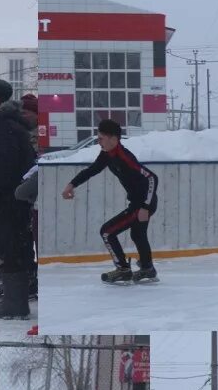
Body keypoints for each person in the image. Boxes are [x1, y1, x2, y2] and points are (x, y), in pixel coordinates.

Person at [61, 118, 158, 284]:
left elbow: (151, 178)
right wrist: (71, 185)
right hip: (139, 202)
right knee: (138, 234)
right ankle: (147, 268)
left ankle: (123, 269)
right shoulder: (107, 154)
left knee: (107, 232)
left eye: (101, 138)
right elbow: (92, 170)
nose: (98, 142)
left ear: (114, 139)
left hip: (142, 203)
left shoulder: (124, 156)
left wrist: (145, 207)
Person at [0, 81, 36, 319]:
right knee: (12, 246)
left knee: (11, 246)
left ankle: (15, 304)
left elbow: (5, 164)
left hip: (10, 198)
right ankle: (14, 300)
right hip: (13, 197)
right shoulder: (4, 124)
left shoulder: (3, 126)